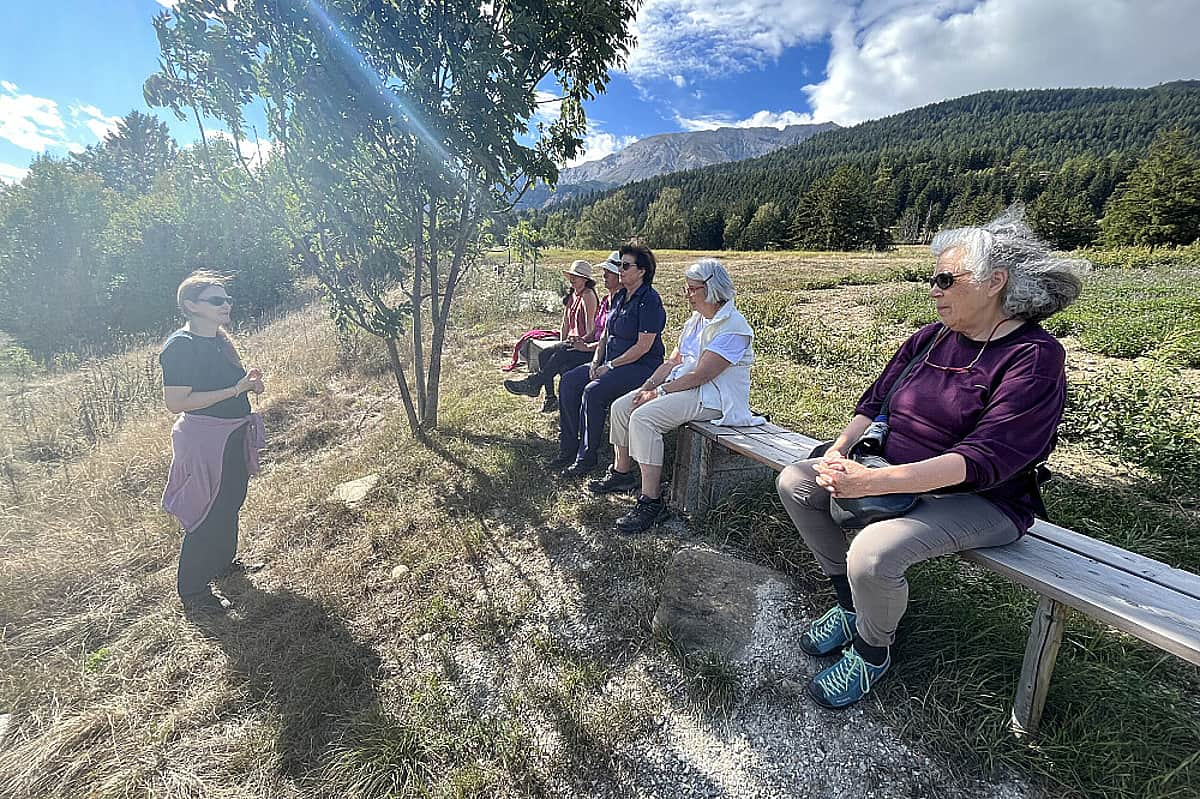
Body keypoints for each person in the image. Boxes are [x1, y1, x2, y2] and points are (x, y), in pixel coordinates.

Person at [775, 210, 1089, 709]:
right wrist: (837, 454)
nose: (933, 289)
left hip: (985, 498)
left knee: (874, 553)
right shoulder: (931, 337)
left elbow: (985, 459)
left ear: (995, 282)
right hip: (893, 473)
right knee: (797, 481)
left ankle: (872, 650)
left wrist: (874, 483)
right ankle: (850, 604)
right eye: (931, 279)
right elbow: (874, 400)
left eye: (945, 278)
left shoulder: (1034, 357)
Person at [590, 258, 764, 533]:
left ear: (713, 289)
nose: (688, 295)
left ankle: (651, 501)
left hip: (714, 398)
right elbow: (672, 362)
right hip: (688, 388)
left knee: (645, 419)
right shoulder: (696, 322)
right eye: (688, 288)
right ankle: (622, 473)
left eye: (693, 289)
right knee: (622, 407)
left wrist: (657, 393)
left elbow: (701, 376)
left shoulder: (733, 327)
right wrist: (648, 385)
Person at [159, 271, 266, 614]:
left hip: (232, 432)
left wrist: (249, 385)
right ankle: (192, 592)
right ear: (191, 306)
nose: (226, 305)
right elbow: (176, 402)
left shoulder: (219, 340)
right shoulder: (180, 347)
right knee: (208, 510)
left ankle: (222, 565)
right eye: (217, 300)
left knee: (231, 500)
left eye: (227, 299)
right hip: (205, 439)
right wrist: (235, 391)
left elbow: (228, 383)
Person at [555, 244, 666, 478]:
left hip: (639, 367)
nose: (620, 270)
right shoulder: (619, 297)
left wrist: (610, 366)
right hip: (609, 362)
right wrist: (596, 361)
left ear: (642, 271)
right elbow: (605, 334)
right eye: (619, 265)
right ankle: (568, 447)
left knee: (592, 391)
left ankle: (586, 457)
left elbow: (643, 346)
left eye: (625, 266)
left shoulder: (649, 301)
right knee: (569, 380)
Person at [504, 258, 606, 412]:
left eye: (576, 276)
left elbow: (592, 329)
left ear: (585, 279)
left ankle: (534, 384)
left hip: (583, 345)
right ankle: (549, 398)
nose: (572, 279)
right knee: (544, 354)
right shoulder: (573, 295)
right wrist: (561, 343)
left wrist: (578, 344)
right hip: (572, 342)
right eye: (571, 275)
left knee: (557, 358)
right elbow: (565, 323)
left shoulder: (588, 295)